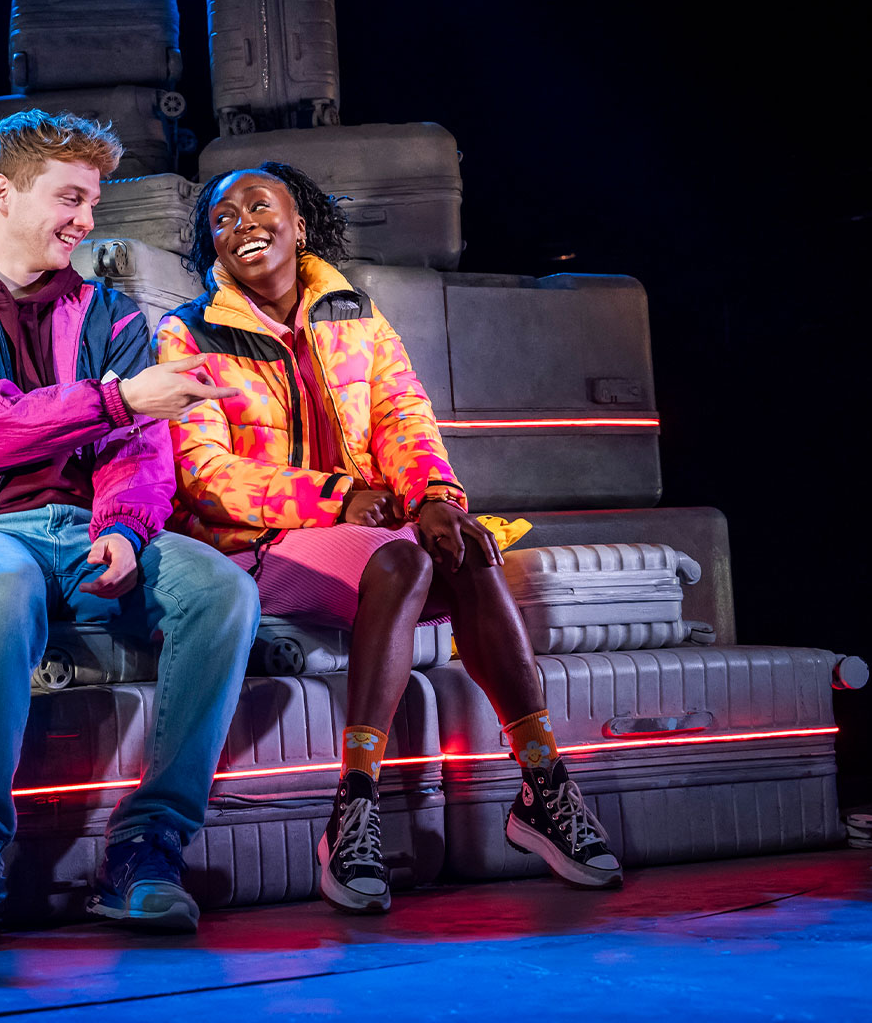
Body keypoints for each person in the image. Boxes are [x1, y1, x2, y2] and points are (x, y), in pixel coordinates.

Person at [153, 161, 623, 914]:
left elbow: (405, 417)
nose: (242, 223)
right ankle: (355, 806)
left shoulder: (355, 315)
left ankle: (544, 785)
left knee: (465, 545)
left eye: (258, 206)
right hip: (261, 547)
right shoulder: (189, 332)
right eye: (222, 218)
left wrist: (435, 497)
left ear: (299, 223)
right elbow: (205, 474)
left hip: (372, 536)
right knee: (404, 557)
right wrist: (336, 498)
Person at [0, 109, 259, 954]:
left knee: (222, 589)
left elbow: (139, 448)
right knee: (6, 586)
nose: (85, 221)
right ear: (3, 194)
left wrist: (125, 525)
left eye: (93, 203)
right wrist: (123, 397)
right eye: (70, 198)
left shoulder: (107, 315)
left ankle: (147, 850)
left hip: (86, 532)